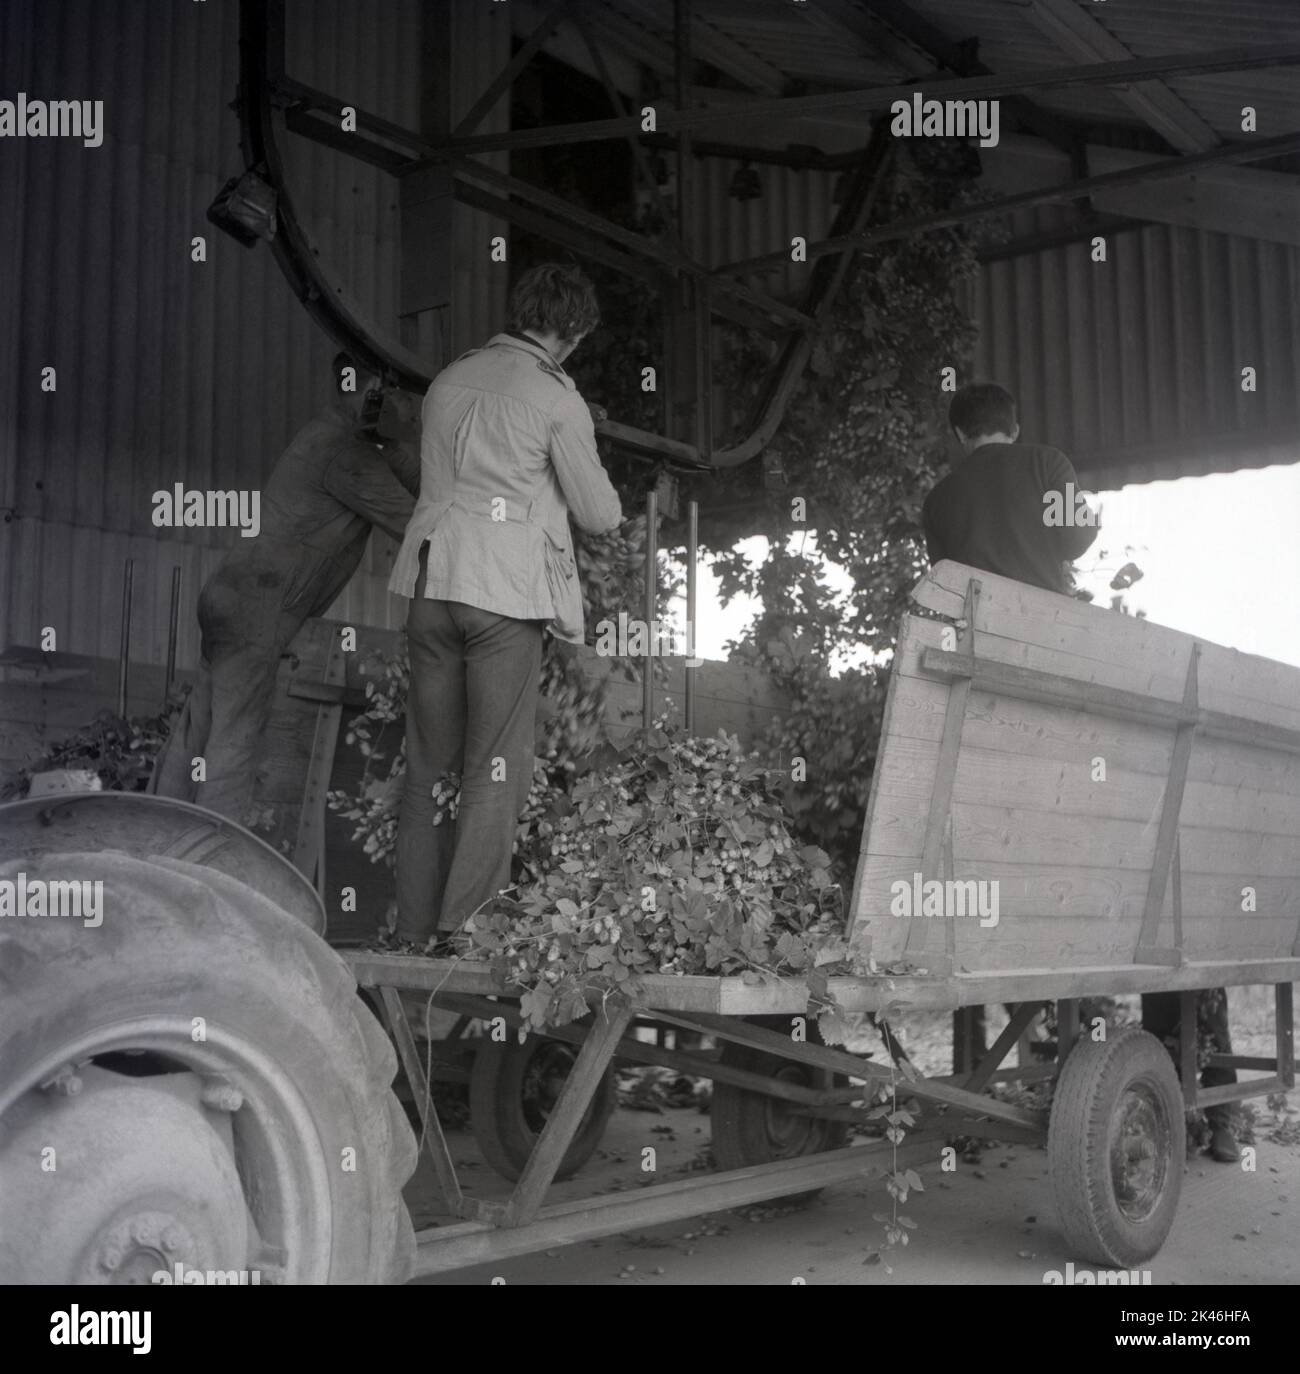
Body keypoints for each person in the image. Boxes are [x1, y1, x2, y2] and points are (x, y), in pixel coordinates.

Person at [923, 384, 1239, 1161]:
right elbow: (1078, 540)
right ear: (1015, 425)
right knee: (1147, 858)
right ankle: (1220, 1109)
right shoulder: (1044, 464)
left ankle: (1030, 1062)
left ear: (960, 436)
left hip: (984, 693)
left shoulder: (940, 498)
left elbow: (950, 577)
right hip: (1062, 672)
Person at [385, 262, 622, 951]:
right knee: (494, 765)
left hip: (431, 585)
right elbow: (600, 514)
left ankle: (411, 931)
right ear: (573, 331)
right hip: (501, 597)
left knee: (428, 763)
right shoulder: (556, 400)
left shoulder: (451, 378)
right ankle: (468, 931)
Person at [152, 355, 420, 822]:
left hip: (231, 594)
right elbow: (417, 525)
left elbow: (409, 472)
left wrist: (405, 448)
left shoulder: (336, 434)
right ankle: (212, 856)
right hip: (258, 605)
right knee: (236, 734)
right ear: (376, 388)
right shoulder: (345, 452)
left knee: (200, 723)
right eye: (403, 398)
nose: (411, 412)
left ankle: (153, 826)